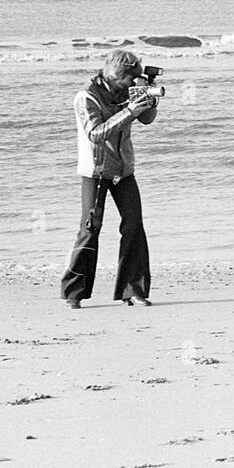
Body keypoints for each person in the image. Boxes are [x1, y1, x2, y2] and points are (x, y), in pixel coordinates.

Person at [59, 49, 160, 309]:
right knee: (90, 229)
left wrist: (148, 100)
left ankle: (133, 290)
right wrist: (129, 111)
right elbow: (95, 133)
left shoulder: (128, 92)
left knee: (134, 226)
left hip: (124, 170)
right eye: (132, 79)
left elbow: (147, 120)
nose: (134, 83)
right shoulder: (86, 96)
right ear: (117, 76)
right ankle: (74, 293)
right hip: (95, 170)